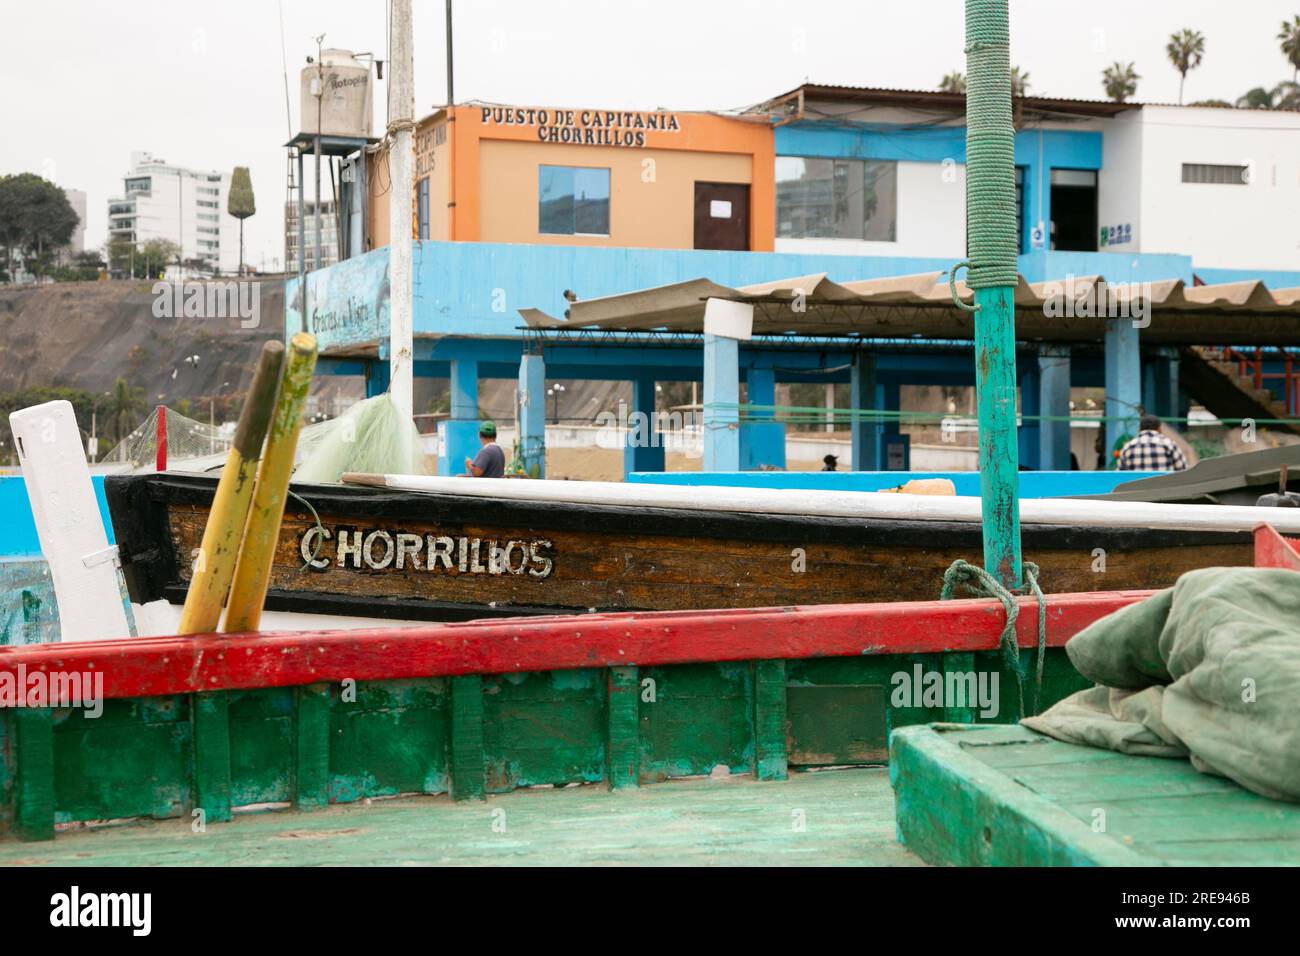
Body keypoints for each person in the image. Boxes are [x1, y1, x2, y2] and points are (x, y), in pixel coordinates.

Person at [1117, 414, 1188, 472]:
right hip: (1164, 487)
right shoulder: (1169, 444)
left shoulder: (1128, 447)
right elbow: (1182, 470)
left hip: (1136, 489)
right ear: (1159, 429)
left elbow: (1120, 472)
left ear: (1139, 429)